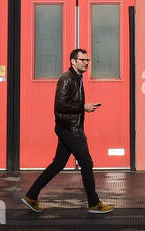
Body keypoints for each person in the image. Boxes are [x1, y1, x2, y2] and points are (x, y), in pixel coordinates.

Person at [22, 49, 113, 213]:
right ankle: (94, 203)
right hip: (70, 129)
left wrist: (81, 108)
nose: (86, 63)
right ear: (73, 61)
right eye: (82, 60)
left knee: (58, 164)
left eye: (87, 60)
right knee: (86, 162)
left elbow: (68, 104)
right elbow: (60, 105)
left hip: (69, 127)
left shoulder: (77, 79)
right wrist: (83, 107)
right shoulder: (66, 79)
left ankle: (31, 196)